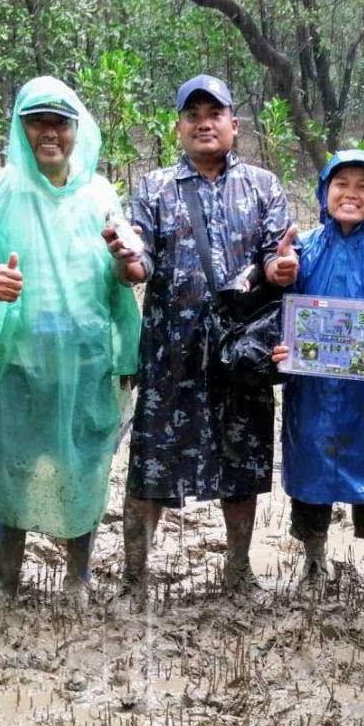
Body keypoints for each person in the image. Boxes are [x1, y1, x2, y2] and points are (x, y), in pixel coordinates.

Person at [0, 78, 140, 621]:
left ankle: (76, 581)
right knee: (5, 466)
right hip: (16, 362)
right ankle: (2, 585)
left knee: (83, 467)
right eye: (37, 120)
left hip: (84, 361)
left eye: (60, 121)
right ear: (19, 126)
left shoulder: (100, 194)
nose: (49, 132)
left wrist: (127, 351)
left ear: (77, 129)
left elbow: (120, 281)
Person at [103, 74, 293, 597]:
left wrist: (281, 268)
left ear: (235, 123)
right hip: (171, 352)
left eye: (215, 113)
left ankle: (237, 572)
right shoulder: (155, 188)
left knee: (243, 462)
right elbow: (138, 263)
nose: (204, 122)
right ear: (179, 126)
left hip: (241, 353)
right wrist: (127, 260)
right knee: (151, 467)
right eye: (193, 114)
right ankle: (135, 580)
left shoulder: (263, 186)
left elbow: (279, 258)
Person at [270, 150, 364, 591]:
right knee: (309, 469)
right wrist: (282, 274)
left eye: (363, 186)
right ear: (324, 191)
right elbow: (279, 312)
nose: (351, 194)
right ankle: (314, 559)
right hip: (309, 390)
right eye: (341, 184)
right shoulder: (303, 250)